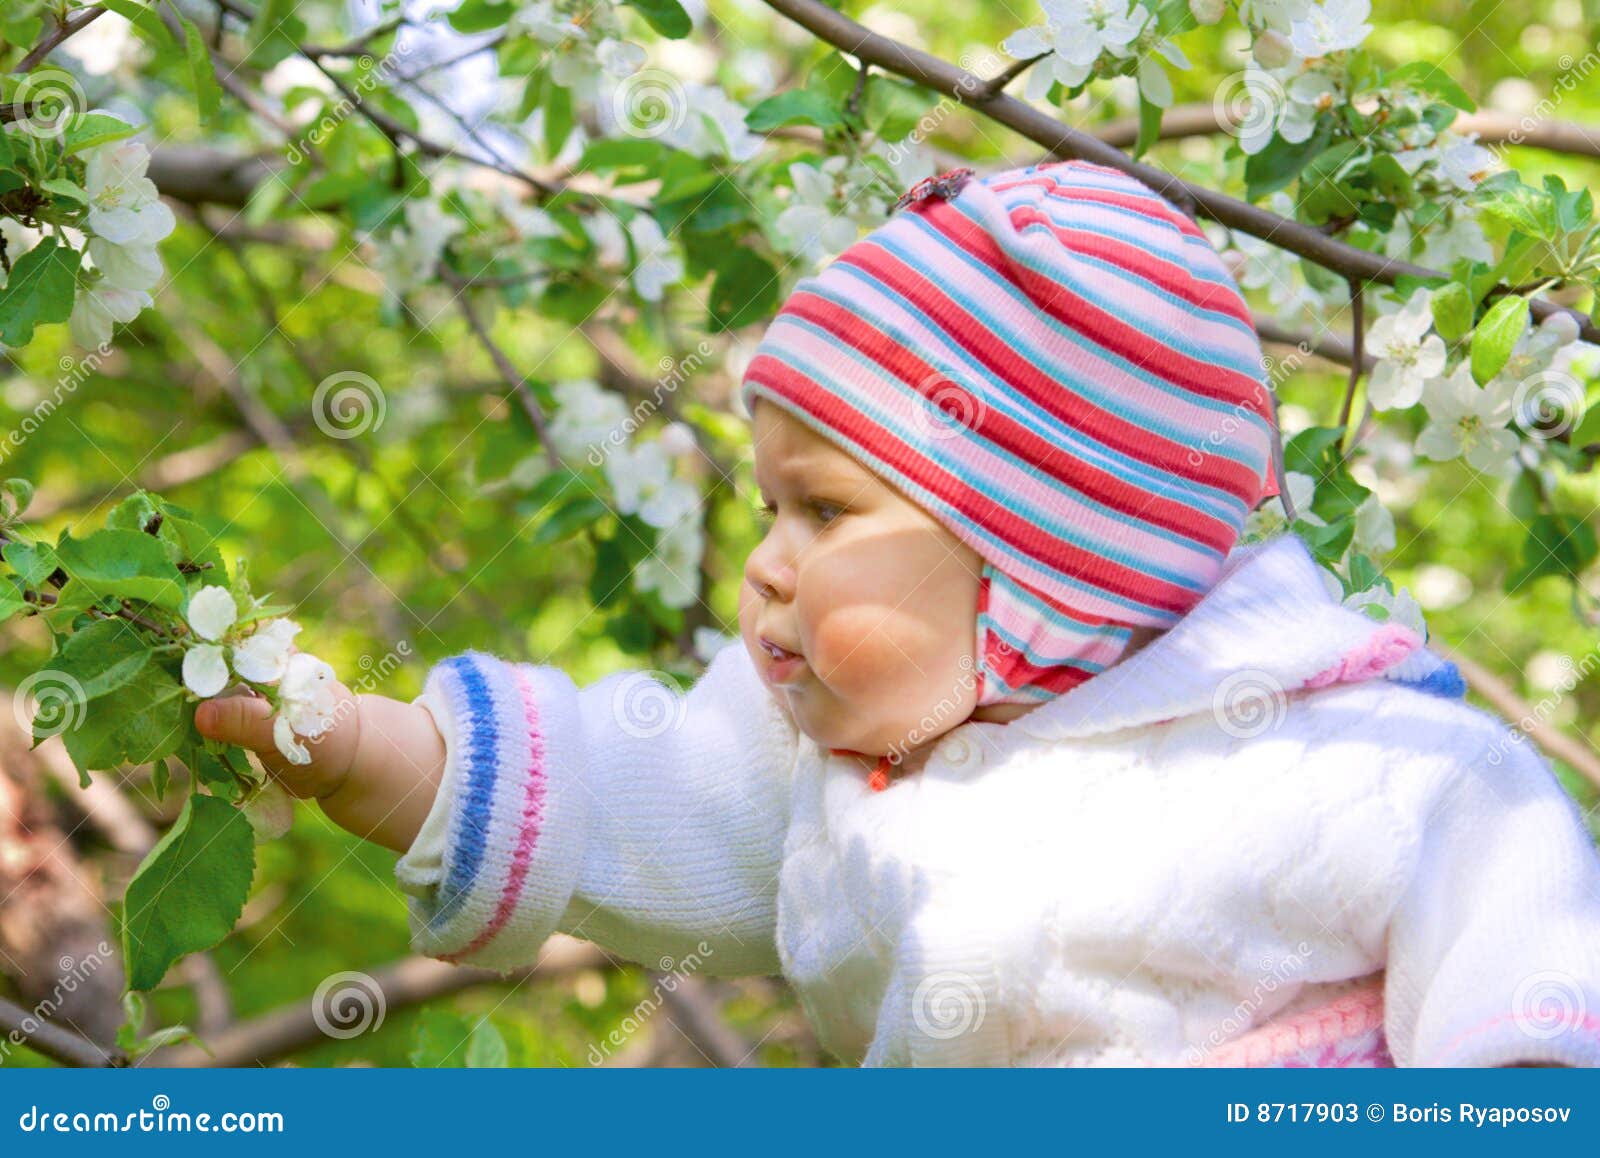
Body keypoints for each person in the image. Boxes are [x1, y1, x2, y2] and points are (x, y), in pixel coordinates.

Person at [197, 159, 1600, 1067]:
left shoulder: (1345, 763)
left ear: (1050, 560)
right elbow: (640, 802)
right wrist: (385, 755)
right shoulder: (826, 760)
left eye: (823, 511)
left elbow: (1523, 956)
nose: (766, 566)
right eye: (765, 510)